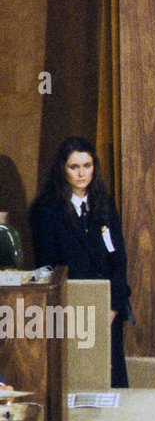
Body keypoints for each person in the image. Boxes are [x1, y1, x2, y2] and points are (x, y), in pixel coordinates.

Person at [30, 137, 131, 388]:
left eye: (87, 165)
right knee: (76, 378)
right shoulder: (46, 210)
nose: (82, 173)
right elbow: (48, 266)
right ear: (62, 169)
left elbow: (119, 259)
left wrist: (114, 306)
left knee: (110, 378)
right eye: (74, 167)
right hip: (70, 307)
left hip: (107, 306)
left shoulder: (104, 205)